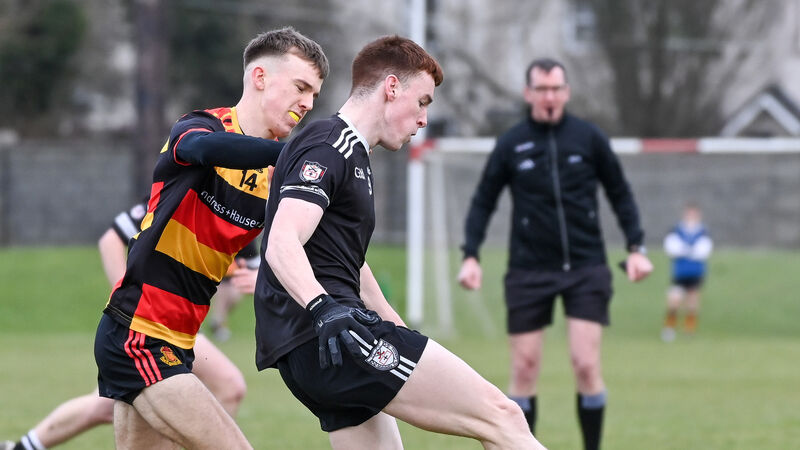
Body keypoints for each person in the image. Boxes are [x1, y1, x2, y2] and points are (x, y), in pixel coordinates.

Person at [254, 35, 545, 450]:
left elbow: (349, 261)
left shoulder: (353, 155)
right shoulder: (330, 143)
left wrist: (398, 327)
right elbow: (282, 241)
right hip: (332, 333)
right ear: (392, 88)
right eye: (423, 101)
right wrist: (325, 310)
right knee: (504, 417)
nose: (424, 118)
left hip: (312, 348)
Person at [92, 27, 328, 449]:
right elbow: (207, 151)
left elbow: (291, 247)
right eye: (300, 87)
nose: (308, 103)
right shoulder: (199, 127)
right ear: (259, 78)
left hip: (178, 341)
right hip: (139, 333)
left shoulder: (278, 177)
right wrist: (297, 155)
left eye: (313, 95)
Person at [457, 57, 653, 450]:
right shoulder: (511, 143)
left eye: (556, 89)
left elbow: (620, 192)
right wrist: (471, 254)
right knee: (525, 368)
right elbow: (483, 201)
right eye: (541, 89)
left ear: (566, 92)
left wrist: (636, 247)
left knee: (585, 364)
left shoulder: (589, 138)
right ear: (529, 93)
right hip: (529, 269)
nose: (549, 97)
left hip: (586, 266)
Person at [3, 200, 254, 450]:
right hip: (149, 320)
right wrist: (131, 303)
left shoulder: (246, 202)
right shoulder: (185, 187)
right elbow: (111, 239)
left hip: (178, 323)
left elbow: (261, 268)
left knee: (112, 404)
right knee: (228, 384)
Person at [661, 202, 713, 342]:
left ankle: (689, 329)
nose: (691, 216)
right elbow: (671, 247)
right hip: (680, 272)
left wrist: (686, 250)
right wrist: (687, 250)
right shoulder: (676, 230)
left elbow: (704, 250)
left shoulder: (703, 231)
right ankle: (669, 328)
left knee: (692, 301)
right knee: (674, 300)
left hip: (696, 272)